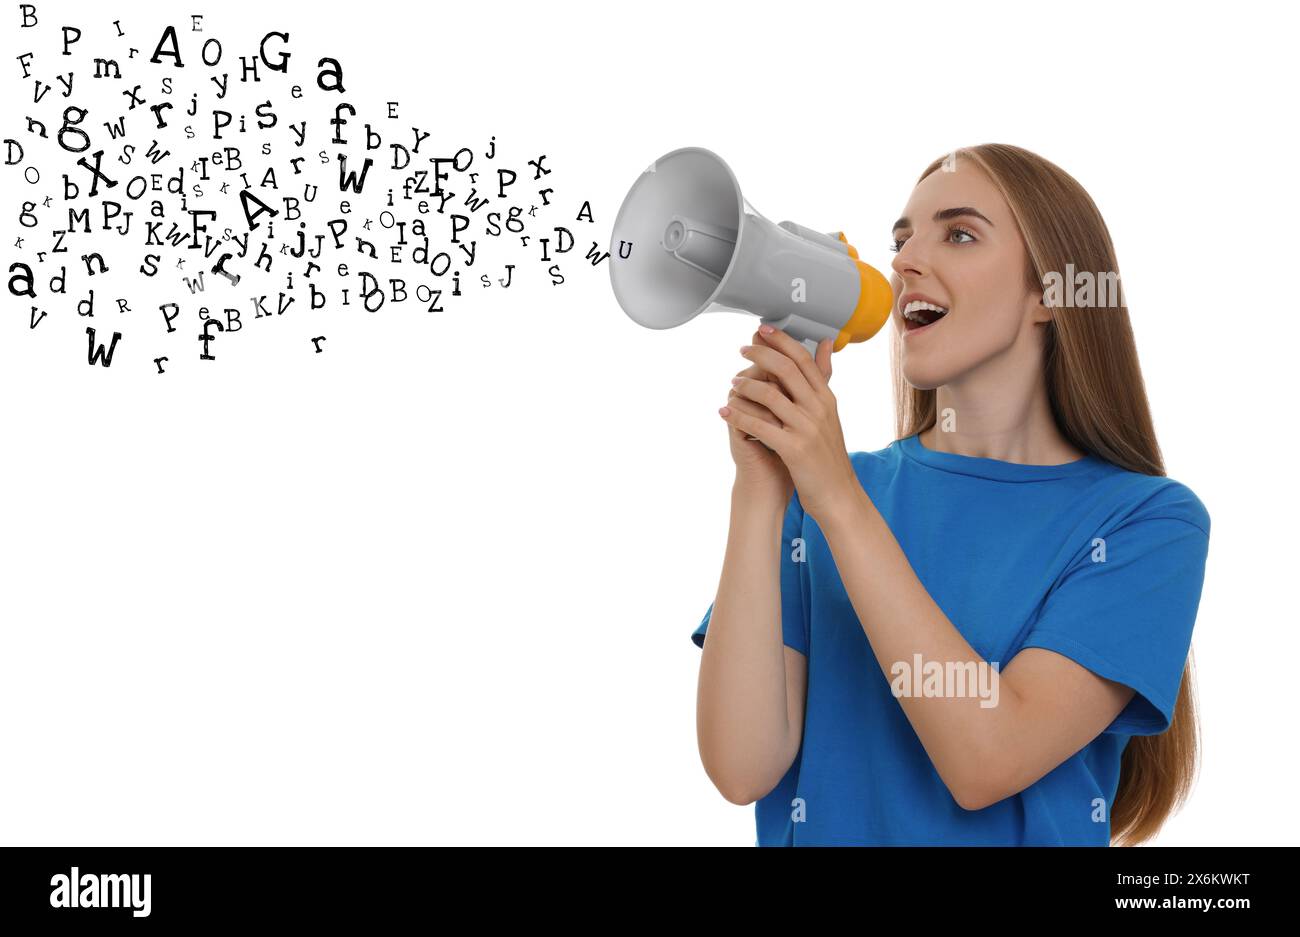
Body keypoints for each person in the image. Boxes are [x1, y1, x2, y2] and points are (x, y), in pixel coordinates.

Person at [692, 144, 1210, 846]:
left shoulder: (1147, 522)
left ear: (1052, 294)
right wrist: (759, 491)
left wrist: (836, 499)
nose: (904, 262)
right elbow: (743, 767)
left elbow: (986, 760)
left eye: (959, 233)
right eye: (900, 239)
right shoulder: (817, 490)